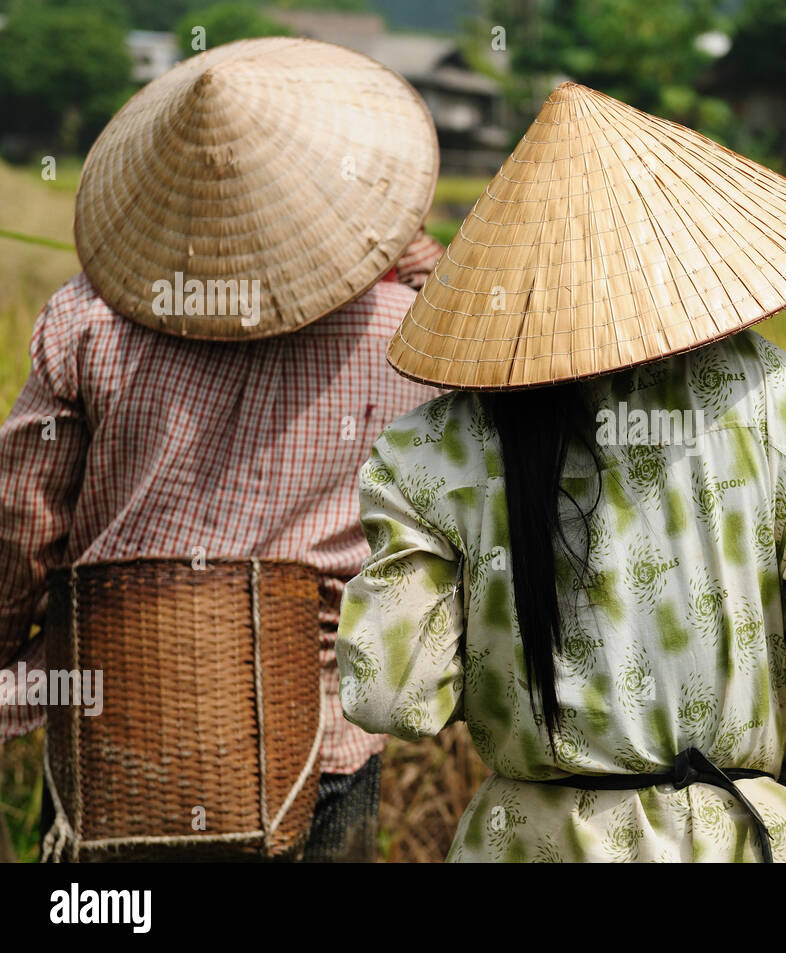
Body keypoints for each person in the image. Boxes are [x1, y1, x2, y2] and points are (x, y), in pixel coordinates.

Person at [338, 82, 786, 862]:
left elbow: (390, 693)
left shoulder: (435, 445)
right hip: (728, 836)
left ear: (521, 283)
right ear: (690, 252)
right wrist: (760, 753)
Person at [0, 37, 444, 861]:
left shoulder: (85, 320)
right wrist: (412, 256)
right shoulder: (414, 337)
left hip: (120, 719)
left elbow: (22, 524)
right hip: (315, 738)